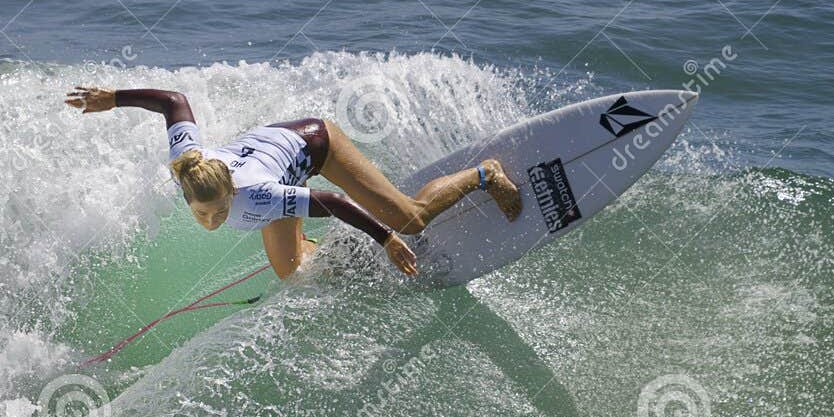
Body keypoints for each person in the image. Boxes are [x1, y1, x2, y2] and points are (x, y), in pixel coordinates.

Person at [65, 85, 524, 280]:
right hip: (275, 159)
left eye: (221, 209)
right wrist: (113, 99)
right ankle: (346, 252)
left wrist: (385, 238)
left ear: (233, 192)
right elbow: (173, 101)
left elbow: (332, 201)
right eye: (204, 213)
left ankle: (485, 174)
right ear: (187, 195)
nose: (214, 219)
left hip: (315, 145)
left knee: (409, 220)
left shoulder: (256, 197)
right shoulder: (189, 163)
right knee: (291, 272)